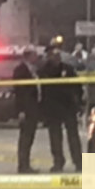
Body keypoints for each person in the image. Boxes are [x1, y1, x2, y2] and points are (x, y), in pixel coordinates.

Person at [40, 40, 82, 173]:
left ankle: (78, 162)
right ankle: (58, 162)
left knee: (73, 136)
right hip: (53, 108)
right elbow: (42, 91)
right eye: (52, 54)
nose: (55, 57)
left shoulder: (68, 69)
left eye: (57, 54)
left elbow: (77, 87)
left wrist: (79, 103)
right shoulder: (44, 71)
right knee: (55, 137)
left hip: (68, 107)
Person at [12, 47, 42, 173]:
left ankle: (26, 164)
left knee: (30, 138)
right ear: (28, 56)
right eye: (34, 55)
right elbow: (19, 92)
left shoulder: (33, 69)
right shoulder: (21, 70)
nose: (36, 57)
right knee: (25, 138)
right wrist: (21, 110)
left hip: (33, 108)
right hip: (26, 109)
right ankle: (23, 165)